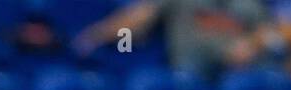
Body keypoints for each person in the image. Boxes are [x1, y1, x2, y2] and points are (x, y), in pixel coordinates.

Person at [72, 0, 267, 78]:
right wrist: (95, 35)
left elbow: (269, 33)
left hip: (235, 78)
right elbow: (140, 17)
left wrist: (255, 43)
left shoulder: (249, 6)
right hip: (187, 77)